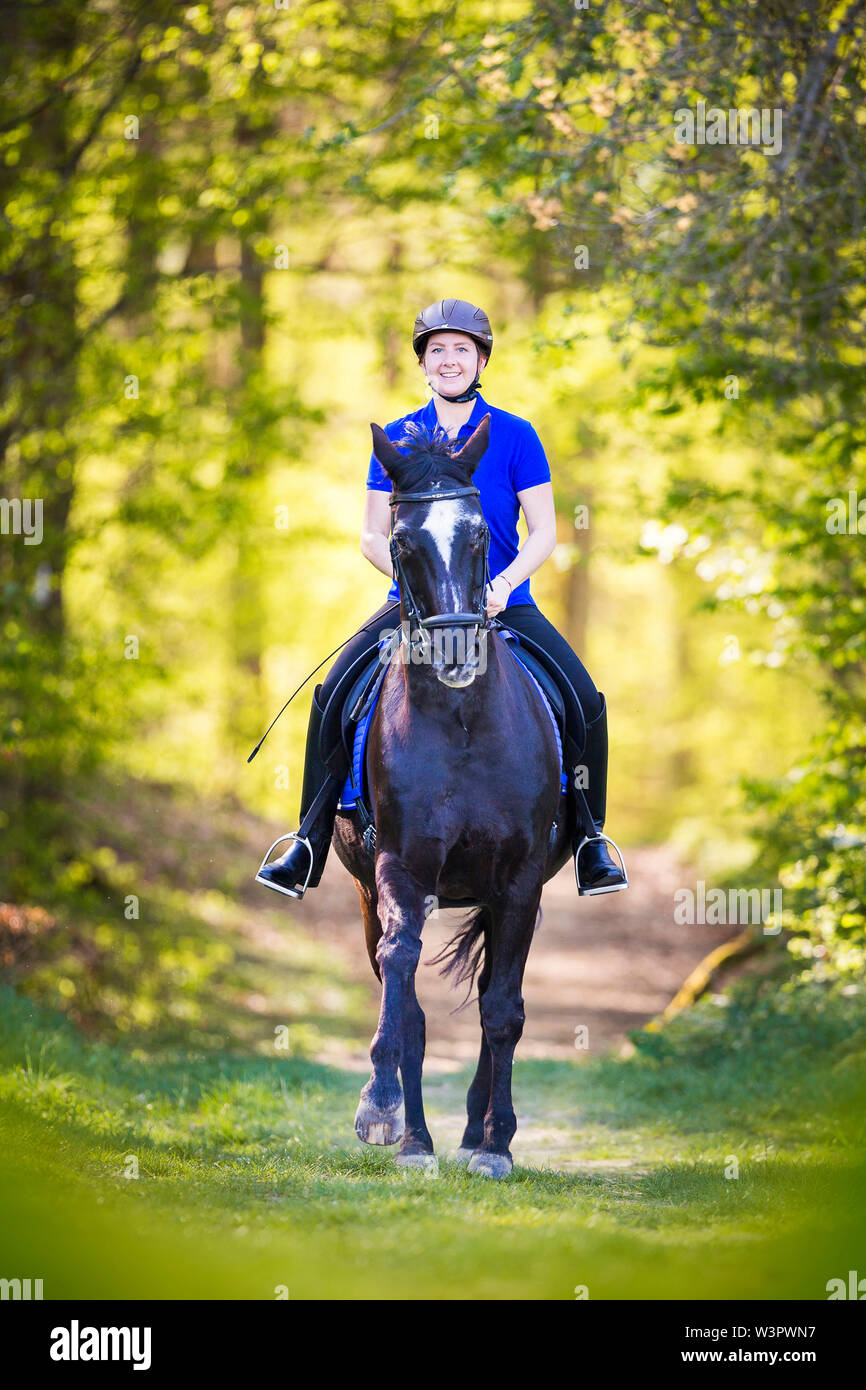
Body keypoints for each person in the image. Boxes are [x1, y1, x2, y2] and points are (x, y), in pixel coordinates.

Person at [256, 298, 627, 899]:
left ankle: (590, 841)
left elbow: (547, 532)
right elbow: (372, 536)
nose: (449, 360)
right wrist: (416, 589)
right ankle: (307, 841)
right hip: (417, 603)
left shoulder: (515, 435)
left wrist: (503, 588)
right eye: (437, 351)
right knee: (330, 697)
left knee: (585, 699)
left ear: (480, 359)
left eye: (461, 349)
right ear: (423, 364)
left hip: (503, 602)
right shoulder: (397, 437)